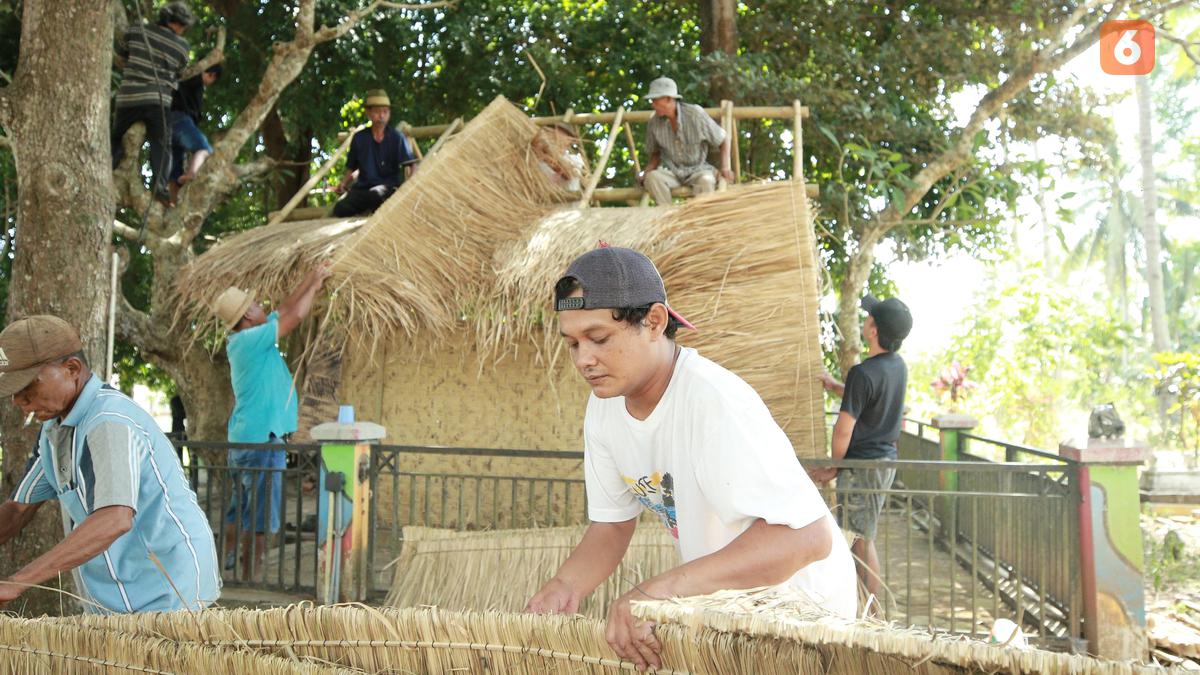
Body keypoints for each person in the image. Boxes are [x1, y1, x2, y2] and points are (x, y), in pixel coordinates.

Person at [526, 246, 856, 671]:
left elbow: (805, 538)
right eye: (572, 344)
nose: (584, 359)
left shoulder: (713, 401)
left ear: (655, 321)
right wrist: (565, 586)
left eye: (599, 338)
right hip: (728, 617)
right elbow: (612, 524)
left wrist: (659, 591)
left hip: (803, 623)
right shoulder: (604, 409)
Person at [0, 315, 219, 613]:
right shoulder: (54, 429)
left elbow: (114, 519)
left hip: (168, 591)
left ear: (72, 369)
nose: (18, 400)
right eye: (13, 391)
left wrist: (16, 582)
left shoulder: (109, 421)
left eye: (27, 386)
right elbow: (18, 509)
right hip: (117, 595)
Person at [211, 261, 332, 579]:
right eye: (254, 304)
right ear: (248, 317)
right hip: (263, 440)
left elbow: (285, 308)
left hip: (245, 437)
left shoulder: (247, 338)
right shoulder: (251, 341)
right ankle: (251, 578)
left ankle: (225, 568)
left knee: (239, 509)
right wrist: (316, 279)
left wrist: (312, 281)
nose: (261, 305)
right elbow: (295, 316)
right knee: (261, 516)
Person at [813, 294, 912, 608]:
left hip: (860, 468)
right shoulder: (897, 367)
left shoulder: (862, 373)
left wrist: (834, 466)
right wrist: (835, 386)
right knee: (862, 534)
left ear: (873, 330)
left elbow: (843, 428)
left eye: (869, 318)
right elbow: (871, 394)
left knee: (859, 539)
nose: (865, 320)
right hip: (884, 463)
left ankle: (872, 612)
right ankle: (868, 606)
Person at [111, 1, 193, 205]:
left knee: (114, 136)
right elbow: (180, 72)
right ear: (174, 23)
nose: (183, 30)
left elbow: (121, 56)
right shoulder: (182, 46)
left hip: (128, 98)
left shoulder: (137, 30)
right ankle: (159, 187)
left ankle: (113, 160)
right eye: (181, 25)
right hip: (158, 100)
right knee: (162, 142)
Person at [638, 77, 734, 207]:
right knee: (652, 178)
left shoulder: (695, 114)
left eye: (655, 100)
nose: (652, 104)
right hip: (673, 171)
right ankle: (667, 216)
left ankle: (701, 220)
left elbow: (723, 139)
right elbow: (655, 154)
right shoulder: (653, 123)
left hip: (699, 170)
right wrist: (645, 172)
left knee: (706, 181)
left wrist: (725, 168)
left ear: (668, 98)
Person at [331, 90, 418, 217]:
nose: (381, 116)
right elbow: (351, 168)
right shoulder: (359, 138)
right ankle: (366, 210)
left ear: (389, 113)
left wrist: (409, 188)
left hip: (388, 188)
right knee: (340, 208)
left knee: (376, 194)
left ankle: (371, 211)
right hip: (362, 189)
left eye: (385, 112)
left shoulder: (397, 138)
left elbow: (412, 165)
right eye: (377, 112)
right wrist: (343, 184)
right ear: (368, 113)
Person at [168, 63, 223, 204]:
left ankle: (172, 201)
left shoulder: (182, 80)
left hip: (167, 123)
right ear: (211, 75)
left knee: (175, 168)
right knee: (204, 149)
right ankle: (192, 173)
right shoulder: (195, 80)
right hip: (181, 119)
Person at [532, 122, 588, 193]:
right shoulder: (537, 160)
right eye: (553, 130)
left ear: (570, 140)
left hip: (567, 202)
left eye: (562, 133)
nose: (555, 134)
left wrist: (545, 157)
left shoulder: (575, 159)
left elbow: (568, 173)